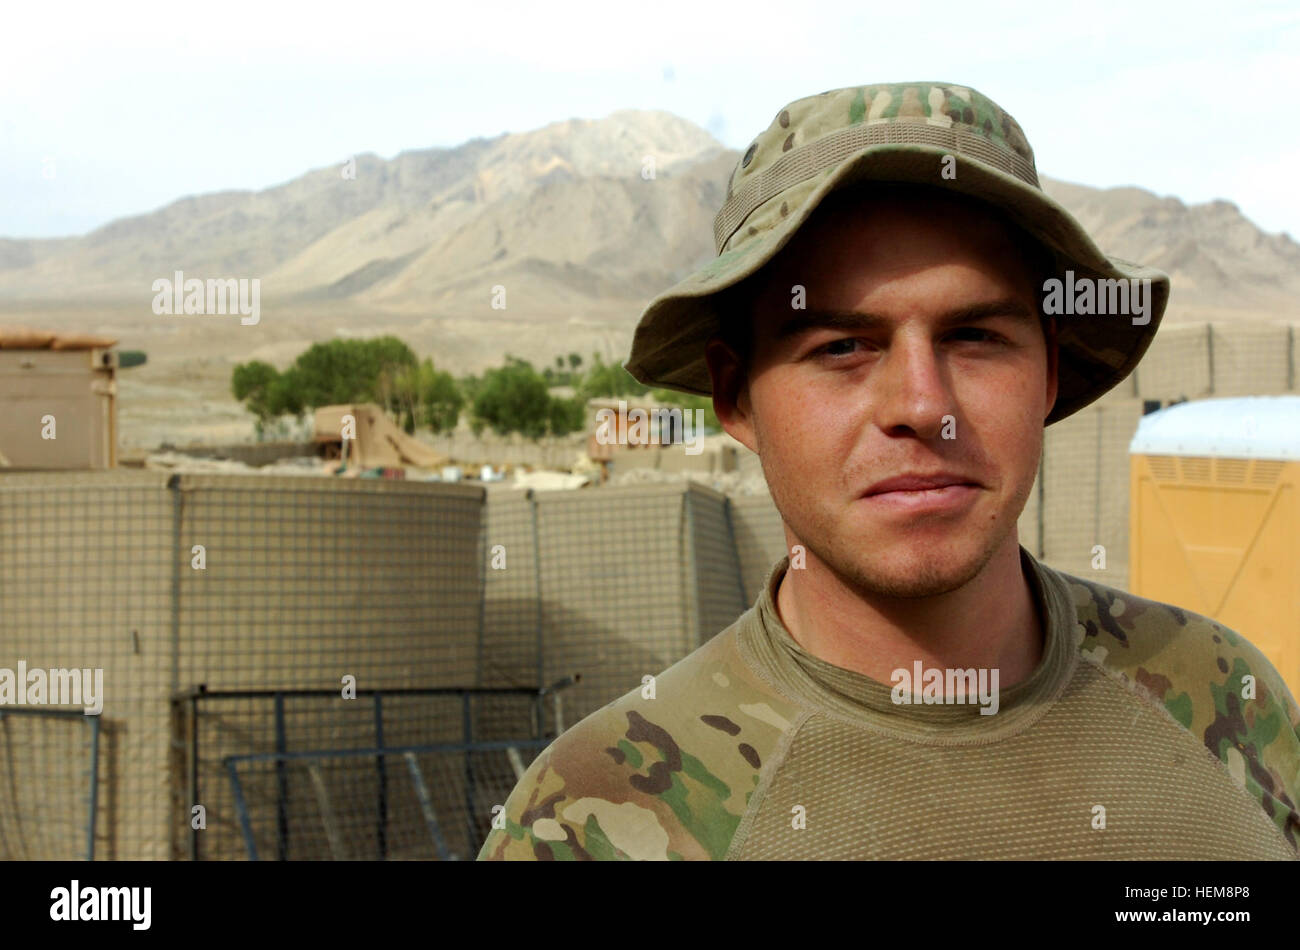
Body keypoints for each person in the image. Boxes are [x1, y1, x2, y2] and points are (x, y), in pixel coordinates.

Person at [477, 82, 1300, 860]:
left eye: (974, 336)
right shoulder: (591, 817)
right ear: (736, 397)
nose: (922, 405)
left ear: (1047, 373)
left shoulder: (1221, 695)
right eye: (841, 347)